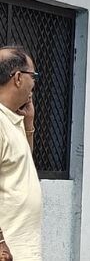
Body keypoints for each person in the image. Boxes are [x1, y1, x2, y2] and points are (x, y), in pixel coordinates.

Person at [0, 46, 40, 261]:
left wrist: (28, 123)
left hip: (22, 247)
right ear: (17, 78)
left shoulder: (12, 119)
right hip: (8, 251)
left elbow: (23, 167)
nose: (34, 83)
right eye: (32, 76)